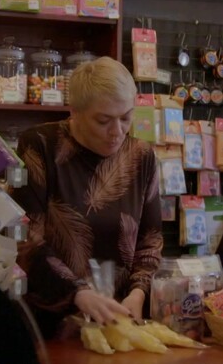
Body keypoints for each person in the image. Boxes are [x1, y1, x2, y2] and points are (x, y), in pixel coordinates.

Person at [12, 57, 163, 337]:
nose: (117, 132)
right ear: (75, 112)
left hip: (119, 322)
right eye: (103, 120)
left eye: (126, 117)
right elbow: (26, 237)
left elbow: (150, 242)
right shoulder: (40, 145)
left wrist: (139, 292)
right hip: (51, 322)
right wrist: (78, 293)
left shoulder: (141, 156)